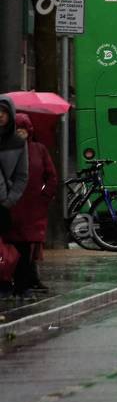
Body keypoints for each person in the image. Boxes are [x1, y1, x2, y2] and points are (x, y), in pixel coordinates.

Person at [4, 113, 56, 297]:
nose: (20, 133)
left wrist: (44, 196)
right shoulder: (6, 149)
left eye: (23, 129)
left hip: (33, 208)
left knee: (27, 247)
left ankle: (23, 284)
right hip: (11, 206)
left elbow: (52, 177)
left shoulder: (39, 150)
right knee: (10, 246)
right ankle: (10, 283)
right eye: (17, 129)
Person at [0, 97, 31, 300]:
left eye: (3, 112)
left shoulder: (18, 142)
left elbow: (22, 175)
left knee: (13, 244)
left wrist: (10, 199)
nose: (0, 116)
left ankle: (15, 283)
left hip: (6, 202)